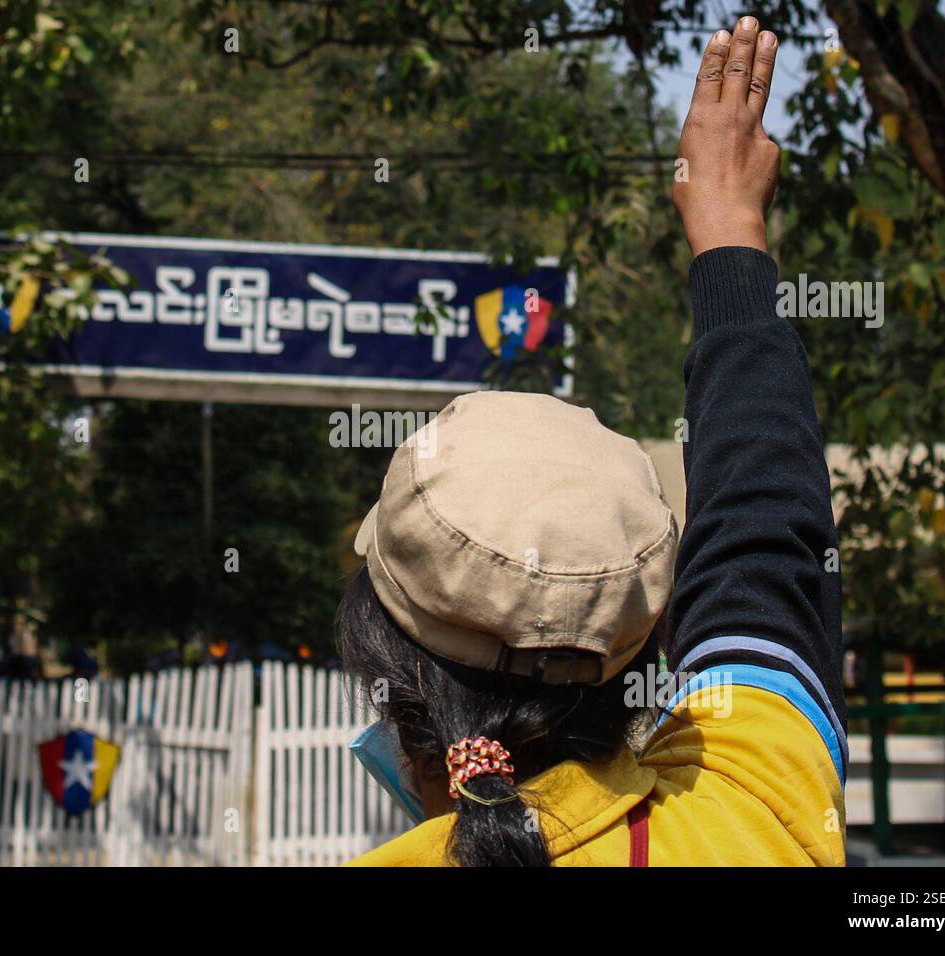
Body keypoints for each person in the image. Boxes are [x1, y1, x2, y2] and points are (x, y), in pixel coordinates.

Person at [340, 16, 846, 866]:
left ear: (389, 672)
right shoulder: (758, 815)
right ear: (650, 649)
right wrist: (727, 228)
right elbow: (764, 533)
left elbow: (766, 539)